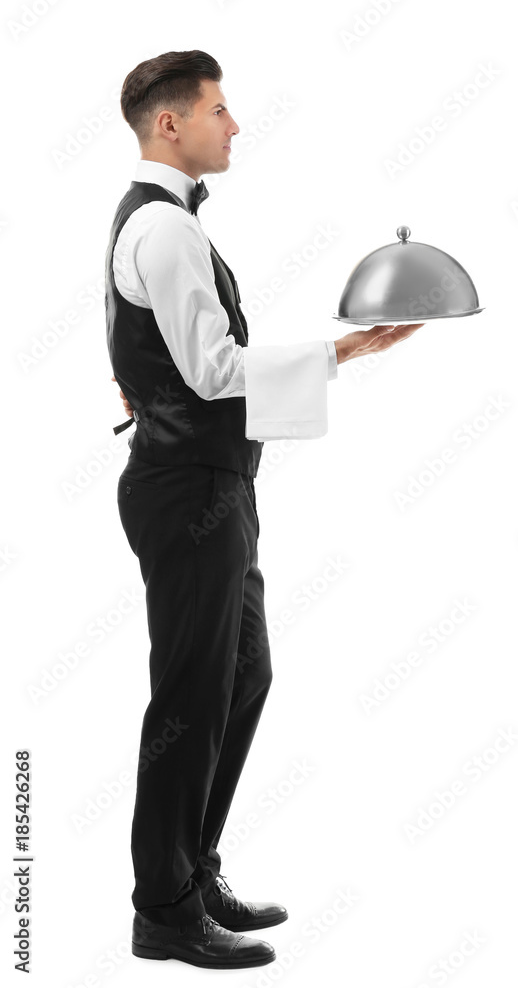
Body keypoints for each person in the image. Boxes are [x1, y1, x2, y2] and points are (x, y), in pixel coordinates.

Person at [105, 49, 423, 971]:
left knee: (242, 677)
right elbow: (212, 371)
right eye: (219, 109)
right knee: (191, 694)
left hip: (210, 484)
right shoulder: (163, 228)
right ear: (171, 123)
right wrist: (345, 352)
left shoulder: (162, 223)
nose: (234, 124)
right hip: (187, 489)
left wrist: (145, 389)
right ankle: (163, 910)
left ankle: (190, 872)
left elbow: (157, 355)